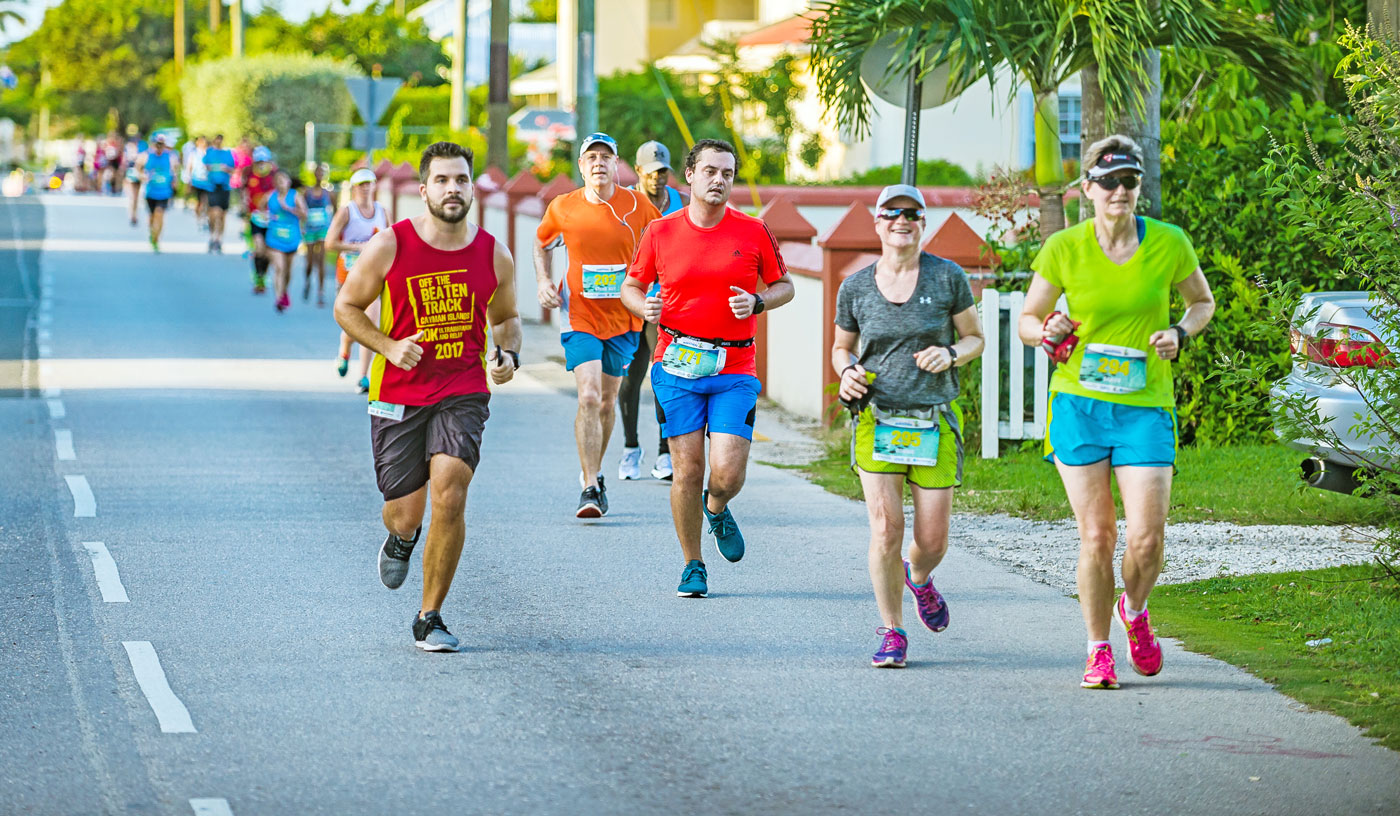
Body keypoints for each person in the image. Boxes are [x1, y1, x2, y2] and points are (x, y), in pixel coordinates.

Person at [1017, 135, 1216, 690]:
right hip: (1079, 405)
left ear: (1138, 189)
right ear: (1087, 190)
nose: (1119, 191)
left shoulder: (1170, 243)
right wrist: (1047, 331)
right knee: (1097, 536)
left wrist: (1179, 332)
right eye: (1108, 182)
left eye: (1129, 181)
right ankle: (1097, 649)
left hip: (1145, 408)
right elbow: (1028, 319)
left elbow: (1202, 303)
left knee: (1147, 539)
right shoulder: (1064, 247)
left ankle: (1134, 609)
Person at [334, 141, 522, 652]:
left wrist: (507, 357)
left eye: (461, 180)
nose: (453, 189)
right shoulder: (390, 245)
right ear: (423, 190)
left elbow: (506, 319)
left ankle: (430, 615)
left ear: (472, 189)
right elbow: (347, 307)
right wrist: (388, 347)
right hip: (397, 390)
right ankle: (401, 538)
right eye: (442, 180)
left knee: (451, 491)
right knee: (405, 511)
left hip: (462, 389)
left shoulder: (492, 253)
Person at [621, 138, 795, 598]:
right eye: (711, 171)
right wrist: (645, 308)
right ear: (691, 176)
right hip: (676, 363)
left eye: (728, 174)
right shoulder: (661, 232)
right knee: (687, 469)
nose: (719, 180)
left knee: (728, 473)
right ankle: (692, 564)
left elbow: (786, 286)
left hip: (734, 365)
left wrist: (757, 301)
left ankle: (716, 508)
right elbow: (631, 286)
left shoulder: (753, 231)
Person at [831, 184, 985, 668]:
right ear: (877, 223)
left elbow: (975, 337)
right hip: (877, 417)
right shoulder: (855, 286)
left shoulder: (947, 277)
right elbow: (841, 348)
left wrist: (951, 353)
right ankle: (892, 630)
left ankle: (918, 579)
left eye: (912, 214)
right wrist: (847, 372)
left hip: (934, 419)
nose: (902, 220)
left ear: (923, 223)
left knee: (933, 539)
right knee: (885, 527)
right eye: (892, 213)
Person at [534, 132, 661, 518]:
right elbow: (541, 243)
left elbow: (662, 247)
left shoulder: (639, 207)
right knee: (588, 396)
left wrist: (656, 291)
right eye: (592, 157)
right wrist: (543, 281)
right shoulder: (563, 207)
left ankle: (597, 469)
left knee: (608, 402)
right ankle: (590, 486)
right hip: (580, 315)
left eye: (606, 156)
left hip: (625, 318)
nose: (599, 163)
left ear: (617, 163)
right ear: (581, 165)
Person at [617, 140, 688, 482]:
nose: (658, 179)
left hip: (667, 304)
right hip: (631, 298)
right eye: (651, 172)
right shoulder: (625, 203)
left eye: (663, 172)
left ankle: (665, 452)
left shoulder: (680, 203)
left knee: (663, 375)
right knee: (632, 377)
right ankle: (631, 448)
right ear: (638, 170)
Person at [328, 168, 390, 392]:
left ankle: (363, 376)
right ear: (354, 188)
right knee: (353, 322)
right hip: (349, 274)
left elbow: (392, 239)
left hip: (374, 274)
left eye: (369, 183)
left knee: (370, 323)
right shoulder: (347, 211)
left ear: (375, 186)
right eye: (362, 184)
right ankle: (345, 346)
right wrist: (357, 247)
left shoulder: (383, 211)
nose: (366, 188)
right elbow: (330, 243)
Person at [265, 170, 305, 313]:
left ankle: (284, 291)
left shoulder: (295, 196)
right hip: (274, 239)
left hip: (292, 239)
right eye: (278, 180)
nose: (280, 183)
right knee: (279, 268)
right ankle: (279, 298)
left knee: (288, 271)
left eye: (283, 180)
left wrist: (289, 208)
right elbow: (260, 212)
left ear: (288, 182)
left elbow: (304, 214)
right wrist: (264, 218)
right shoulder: (270, 196)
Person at [242, 146, 278, 294]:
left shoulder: (275, 177)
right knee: (259, 248)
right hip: (255, 218)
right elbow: (244, 194)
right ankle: (258, 276)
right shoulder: (250, 175)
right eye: (259, 161)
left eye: (264, 161)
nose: (262, 164)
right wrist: (244, 209)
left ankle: (263, 276)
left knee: (267, 251)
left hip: (271, 219)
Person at [137, 135, 179, 253]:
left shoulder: (170, 157)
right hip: (150, 191)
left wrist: (174, 182)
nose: (159, 147)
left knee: (159, 214)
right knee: (151, 217)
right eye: (157, 144)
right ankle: (152, 232)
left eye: (161, 144)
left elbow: (175, 171)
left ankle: (156, 239)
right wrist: (142, 176)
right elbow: (138, 168)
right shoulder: (146, 156)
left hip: (164, 191)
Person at [301, 163, 335, 306]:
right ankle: (308, 281)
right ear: (314, 174)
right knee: (309, 262)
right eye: (318, 172)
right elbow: (301, 209)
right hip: (309, 229)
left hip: (323, 229)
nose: (320, 175)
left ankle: (321, 293)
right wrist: (301, 226)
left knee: (321, 259)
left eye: (322, 173)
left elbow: (337, 212)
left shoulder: (330, 193)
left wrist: (335, 230)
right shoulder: (307, 192)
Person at [203, 134, 235, 253]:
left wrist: (225, 168)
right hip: (212, 187)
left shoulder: (227, 154)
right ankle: (212, 236)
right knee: (214, 213)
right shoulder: (209, 152)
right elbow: (206, 166)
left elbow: (233, 169)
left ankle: (219, 239)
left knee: (222, 215)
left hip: (225, 187)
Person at [184, 135, 209, 227]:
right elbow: (189, 167)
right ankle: (199, 217)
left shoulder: (208, 153)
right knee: (199, 200)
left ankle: (205, 217)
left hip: (207, 181)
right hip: (197, 180)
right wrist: (188, 180)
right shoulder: (194, 153)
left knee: (206, 200)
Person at [124, 133, 146, 227]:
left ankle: (134, 214)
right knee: (132, 196)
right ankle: (132, 215)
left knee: (137, 197)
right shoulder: (128, 147)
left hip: (139, 173)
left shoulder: (143, 146)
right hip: (131, 172)